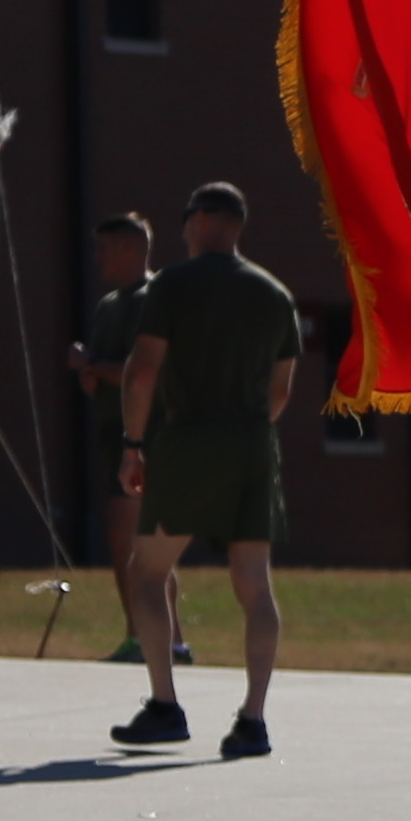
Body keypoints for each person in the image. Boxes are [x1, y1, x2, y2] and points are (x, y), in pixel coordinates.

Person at [106, 180, 302, 756]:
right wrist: (245, 430)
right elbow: (281, 389)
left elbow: (143, 369)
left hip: (188, 439)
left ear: (200, 220)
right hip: (253, 443)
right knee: (254, 583)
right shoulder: (275, 293)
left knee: (147, 572)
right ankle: (253, 719)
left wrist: (133, 444)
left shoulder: (172, 284)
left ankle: (165, 705)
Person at [70, 209, 156, 653]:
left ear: (129, 248)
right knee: (126, 543)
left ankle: (155, 639)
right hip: (111, 432)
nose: (98, 257)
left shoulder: (152, 300)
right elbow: (103, 374)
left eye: (105, 248)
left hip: (144, 437)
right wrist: (89, 373)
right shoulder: (108, 305)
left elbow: (144, 372)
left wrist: (92, 364)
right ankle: (143, 635)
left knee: (141, 544)